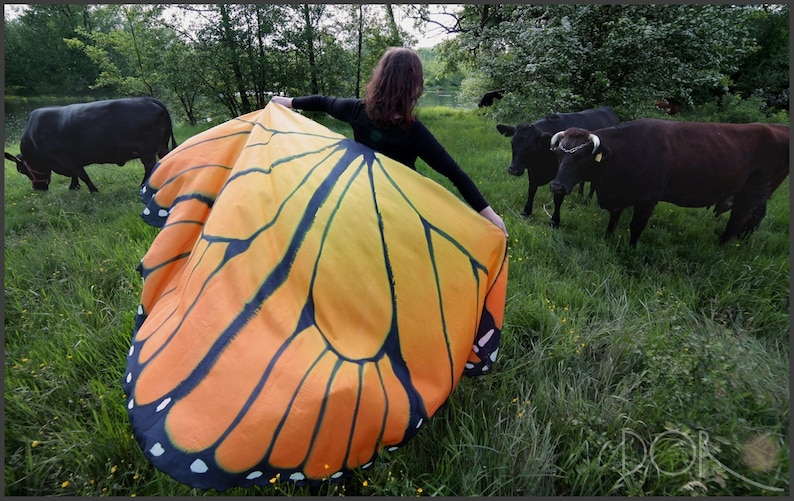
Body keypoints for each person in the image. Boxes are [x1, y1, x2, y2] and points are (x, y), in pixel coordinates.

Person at [270, 46, 508, 238]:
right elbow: (453, 172)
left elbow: (323, 102)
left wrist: (288, 101)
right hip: (397, 208)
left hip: (365, 199)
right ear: (412, 86)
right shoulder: (412, 131)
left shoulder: (356, 110)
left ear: (382, 79)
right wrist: (490, 215)